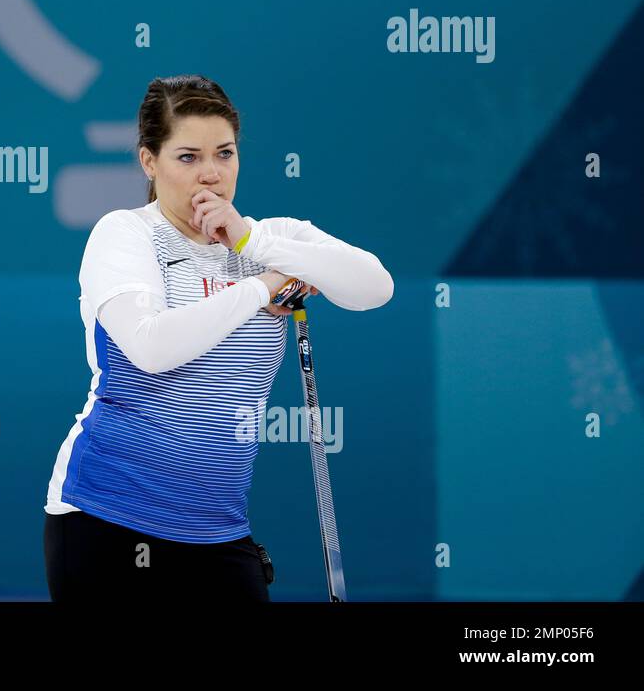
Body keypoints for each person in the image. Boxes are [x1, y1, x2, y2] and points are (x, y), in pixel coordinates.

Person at [43, 74, 394, 602]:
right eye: (188, 157)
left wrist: (253, 243)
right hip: (106, 518)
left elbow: (375, 287)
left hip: (218, 530)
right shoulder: (126, 234)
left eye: (224, 153)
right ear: (149, 162)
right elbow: (152, 347)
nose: (211, 173)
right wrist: (261, 287)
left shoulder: (273, 239)